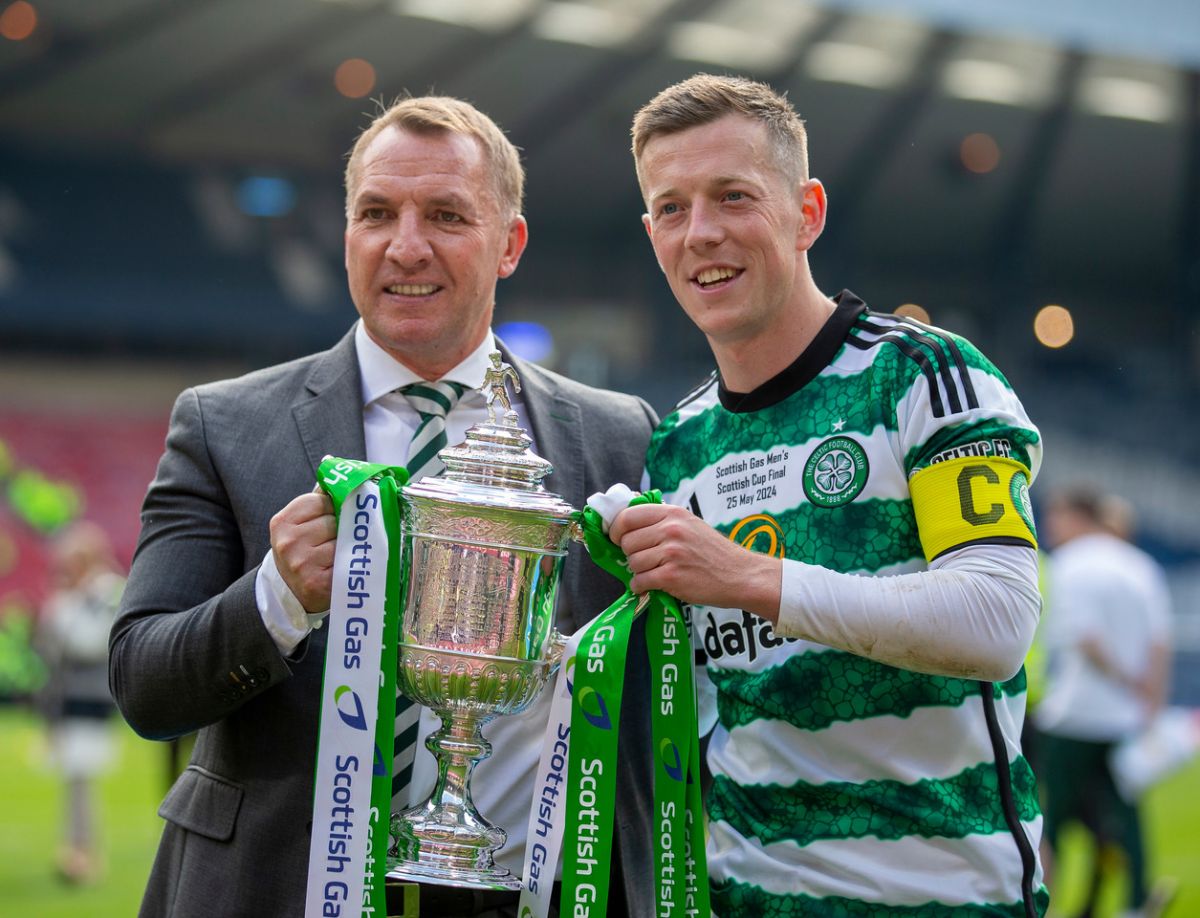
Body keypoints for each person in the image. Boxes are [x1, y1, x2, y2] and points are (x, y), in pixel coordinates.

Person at [109, 95, 658, 918]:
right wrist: (277, 600)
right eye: (377, 213)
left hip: (524, 895)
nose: (406, 246)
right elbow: (143, 684)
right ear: (347, 236)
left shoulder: (618, 436)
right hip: (274, 890)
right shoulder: (225, 424)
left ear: (508, 244)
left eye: (445, 215)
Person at [608, 74, 1047, 916]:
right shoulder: (677, 445)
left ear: (807, 211)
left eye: (733, 197)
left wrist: (747, 578)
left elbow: (996, 620)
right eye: (671, 208)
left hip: (938, 902)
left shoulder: (922, 376)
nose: (701, 233)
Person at [1033, 487, 1174, 918]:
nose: (1052, 528)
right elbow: (1159, 642)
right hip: (1124, 717)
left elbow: (1085, 640)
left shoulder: (1071, 565)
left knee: (1051, 817)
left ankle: (1038, 901)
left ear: (1078, 516)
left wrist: (1122, 678)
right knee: (1123, 816)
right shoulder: (1139, 565)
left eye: (1057, 518)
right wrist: (1148, 699)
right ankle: (1134, 903)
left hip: (1074, 714)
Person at [37, 520, 125, 884]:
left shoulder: (105, 591)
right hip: (65, 702)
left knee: (80, 780)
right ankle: (77, 850)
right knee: (74, 781)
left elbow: (90, 643)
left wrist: (64, 614)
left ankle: (82, 853)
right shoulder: (74, 596)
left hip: (90, 702)